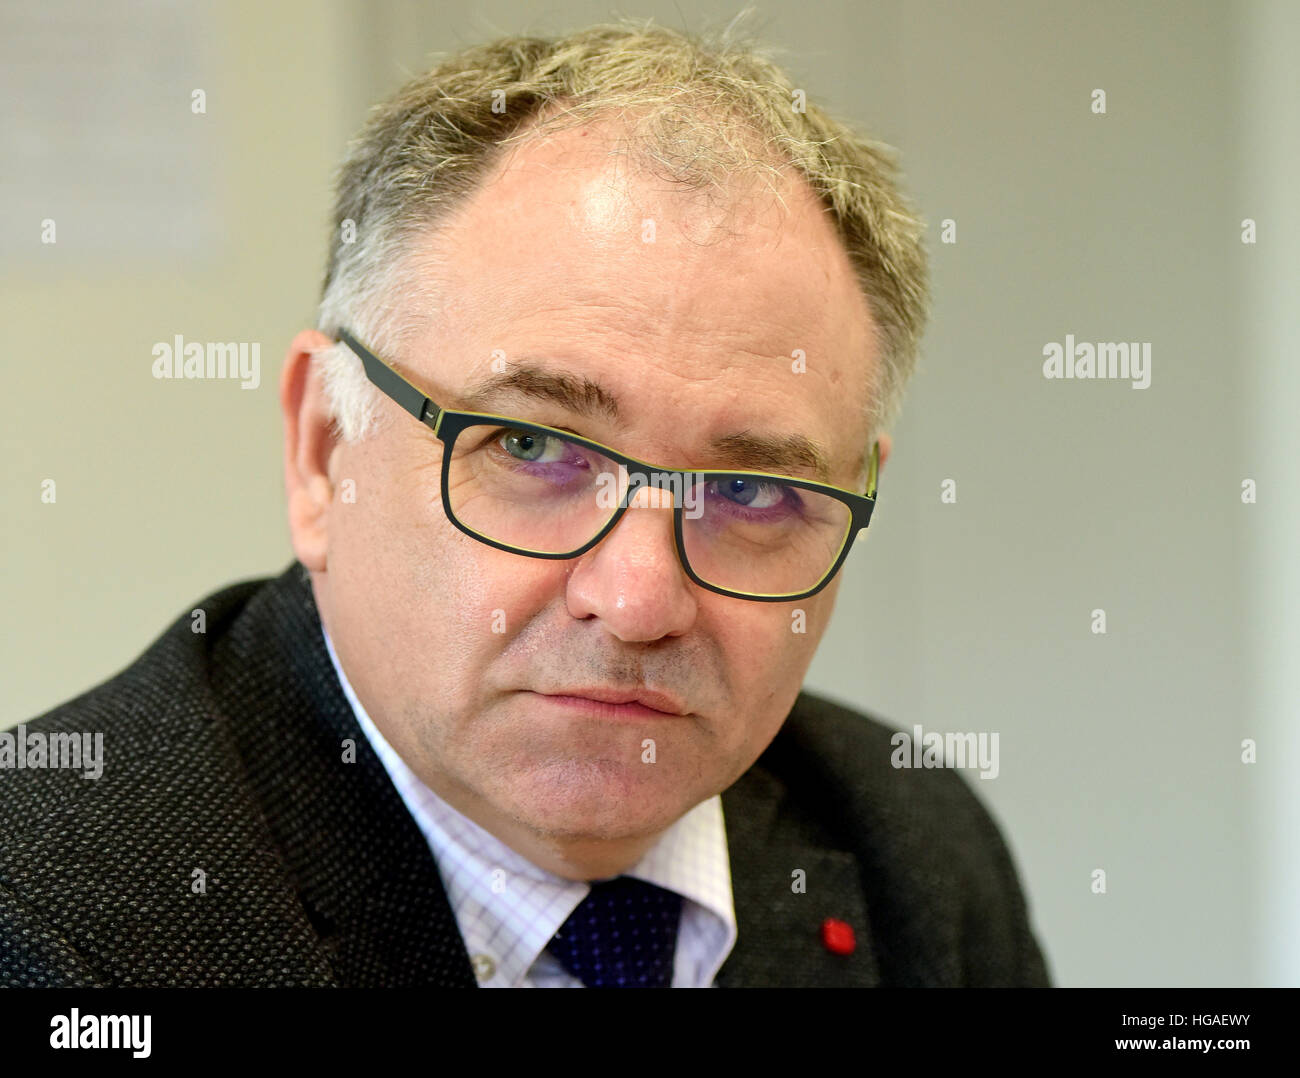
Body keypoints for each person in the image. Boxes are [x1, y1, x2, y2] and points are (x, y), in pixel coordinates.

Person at [0, 20, 1049, 988]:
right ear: (324, 450)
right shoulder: (52, 927)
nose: (639, 600)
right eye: (535, 447)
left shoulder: (910, 855)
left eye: (750, 490)